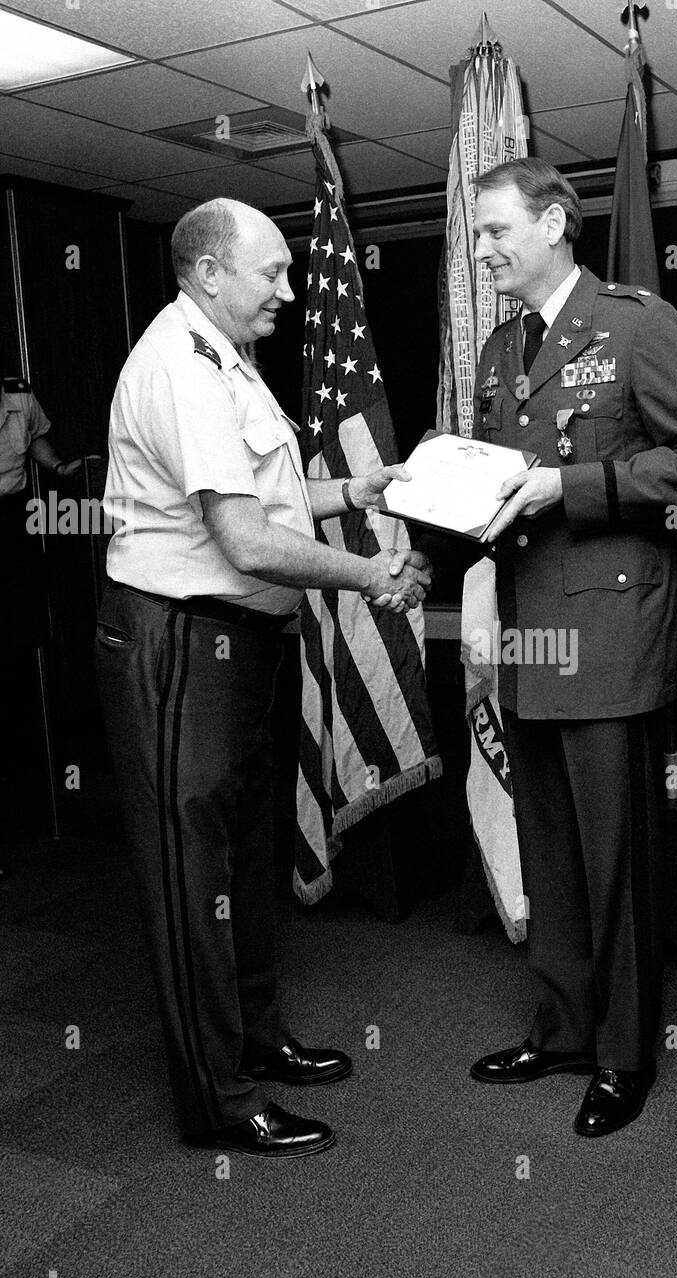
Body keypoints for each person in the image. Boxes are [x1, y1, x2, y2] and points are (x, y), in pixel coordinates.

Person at [96, 198, 432, 1158]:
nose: (289, 291)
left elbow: (267, 496)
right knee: (189, 869)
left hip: (234, 646)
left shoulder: (223, 355)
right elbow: (243, 540)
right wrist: (373, 572)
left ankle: (253, 1036)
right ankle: (216, 1097)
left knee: (240, 858)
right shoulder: (177, 366)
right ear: (208, 272)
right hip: (178, 644)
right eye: (271, 272)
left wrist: (350, 492)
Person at [467, 158, 677, 1136]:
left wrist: (568, 488)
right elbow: (502, 477)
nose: (482, 247)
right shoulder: (500, 350)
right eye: (476, 232)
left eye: (497, 230)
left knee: (616, 858)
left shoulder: (635, 324)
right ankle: (564, 1027)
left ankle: (624, 1056)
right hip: (530, 639)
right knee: (552, 856)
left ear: (553, 224)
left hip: (611, 642)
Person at [0, 364, 81, 878]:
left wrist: (60, 470)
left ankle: (32, 789)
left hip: (10, 521)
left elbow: (36, 445)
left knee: (21, 645)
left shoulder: (18, 397)